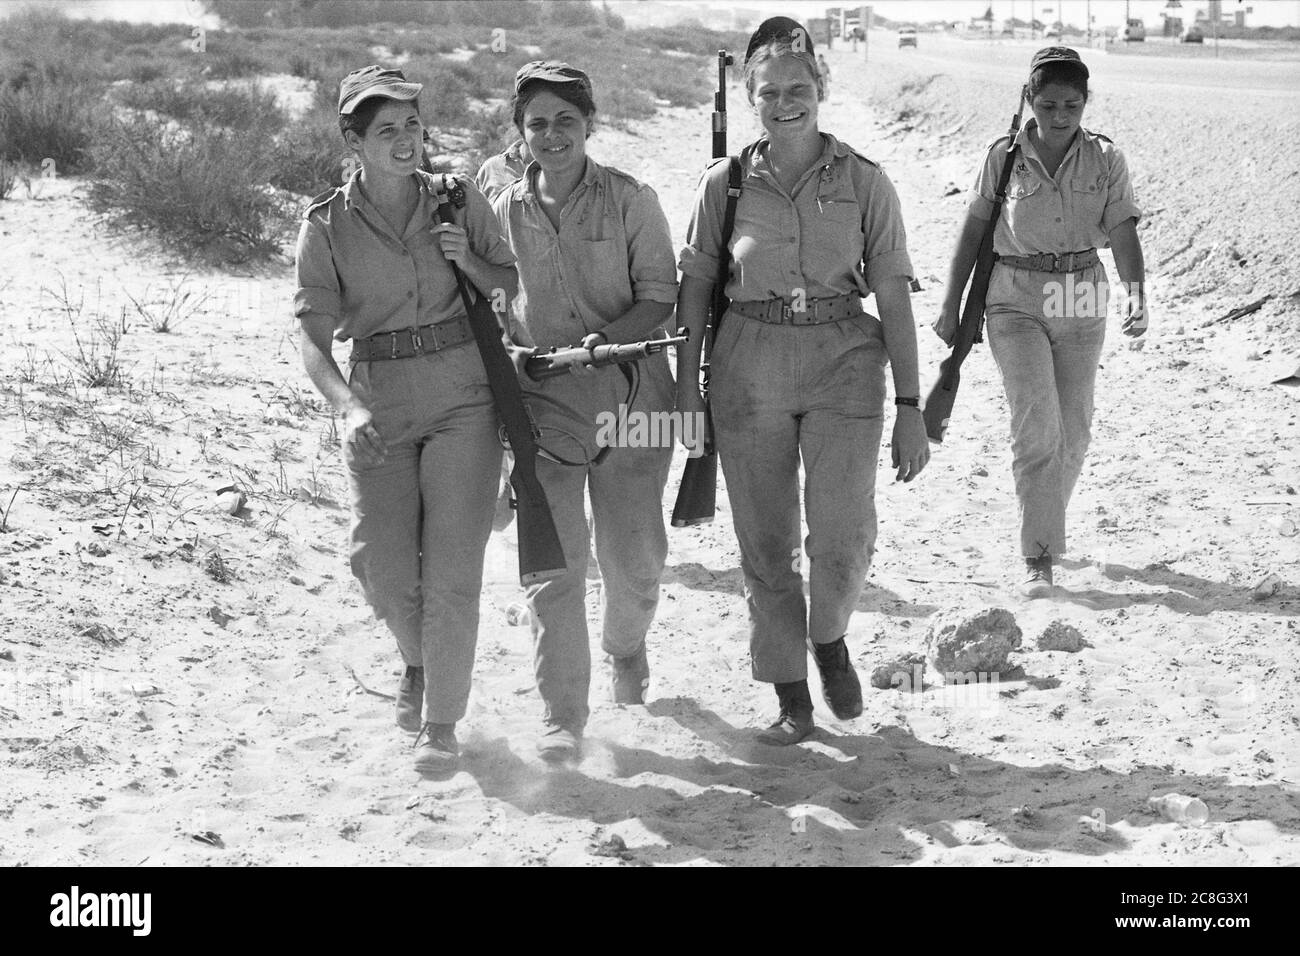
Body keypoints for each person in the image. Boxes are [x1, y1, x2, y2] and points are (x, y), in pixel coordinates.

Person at [676, 18, 929, 746]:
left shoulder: (864, 180)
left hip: (843, 358)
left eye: (798, 88)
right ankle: (791, 696)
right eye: (769, 92)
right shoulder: (722, 186)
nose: (786, 101)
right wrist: (688, 392)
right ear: (751, 99)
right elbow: (695, 290)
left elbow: (895, 298)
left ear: (821, 88)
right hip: (747, 361)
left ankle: (829, 640)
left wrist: (911, 407)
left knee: (844, 537)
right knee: (767, 542)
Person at [294, 66, 519, 773]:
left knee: (453, 571)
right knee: (381, 568)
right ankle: (420, 663)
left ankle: (442, 722)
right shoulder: (326, 224)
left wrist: (472, 266)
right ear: (353, 141)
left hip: (464, 395)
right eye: (385, 130)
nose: (403, 141)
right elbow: (310, 334)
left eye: (412, 127)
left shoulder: (457, 201)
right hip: (379, 398)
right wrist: (346, 406)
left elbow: (512, 285)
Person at [491, 61, 679, 762]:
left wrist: (610, 340)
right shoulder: (503, 211)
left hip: (632, 396)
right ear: (521, 133)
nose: (552, 135)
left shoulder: (632, 200)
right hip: (545, 404)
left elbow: (659, 293)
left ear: (590, 124)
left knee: (635, 561)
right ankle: (562, 714)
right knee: (554, 568)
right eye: (537, 123)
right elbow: (496, 306)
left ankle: (625, 649)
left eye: (566, 120)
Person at [933, 47, 1146, 597]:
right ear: (1029, 100)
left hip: (1079, 291)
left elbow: (1122, 229)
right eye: (1049, 104)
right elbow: (975, 229)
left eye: (1072, 105)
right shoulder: (1003, 155)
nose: (1060, 116)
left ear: (1086, 103)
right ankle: (1040, 554)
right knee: (1037, 424)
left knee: (1074, 430)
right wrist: (950, 305)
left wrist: (1135, 292)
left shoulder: (1105, 159)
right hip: (1016, 296)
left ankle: (1045, 517)